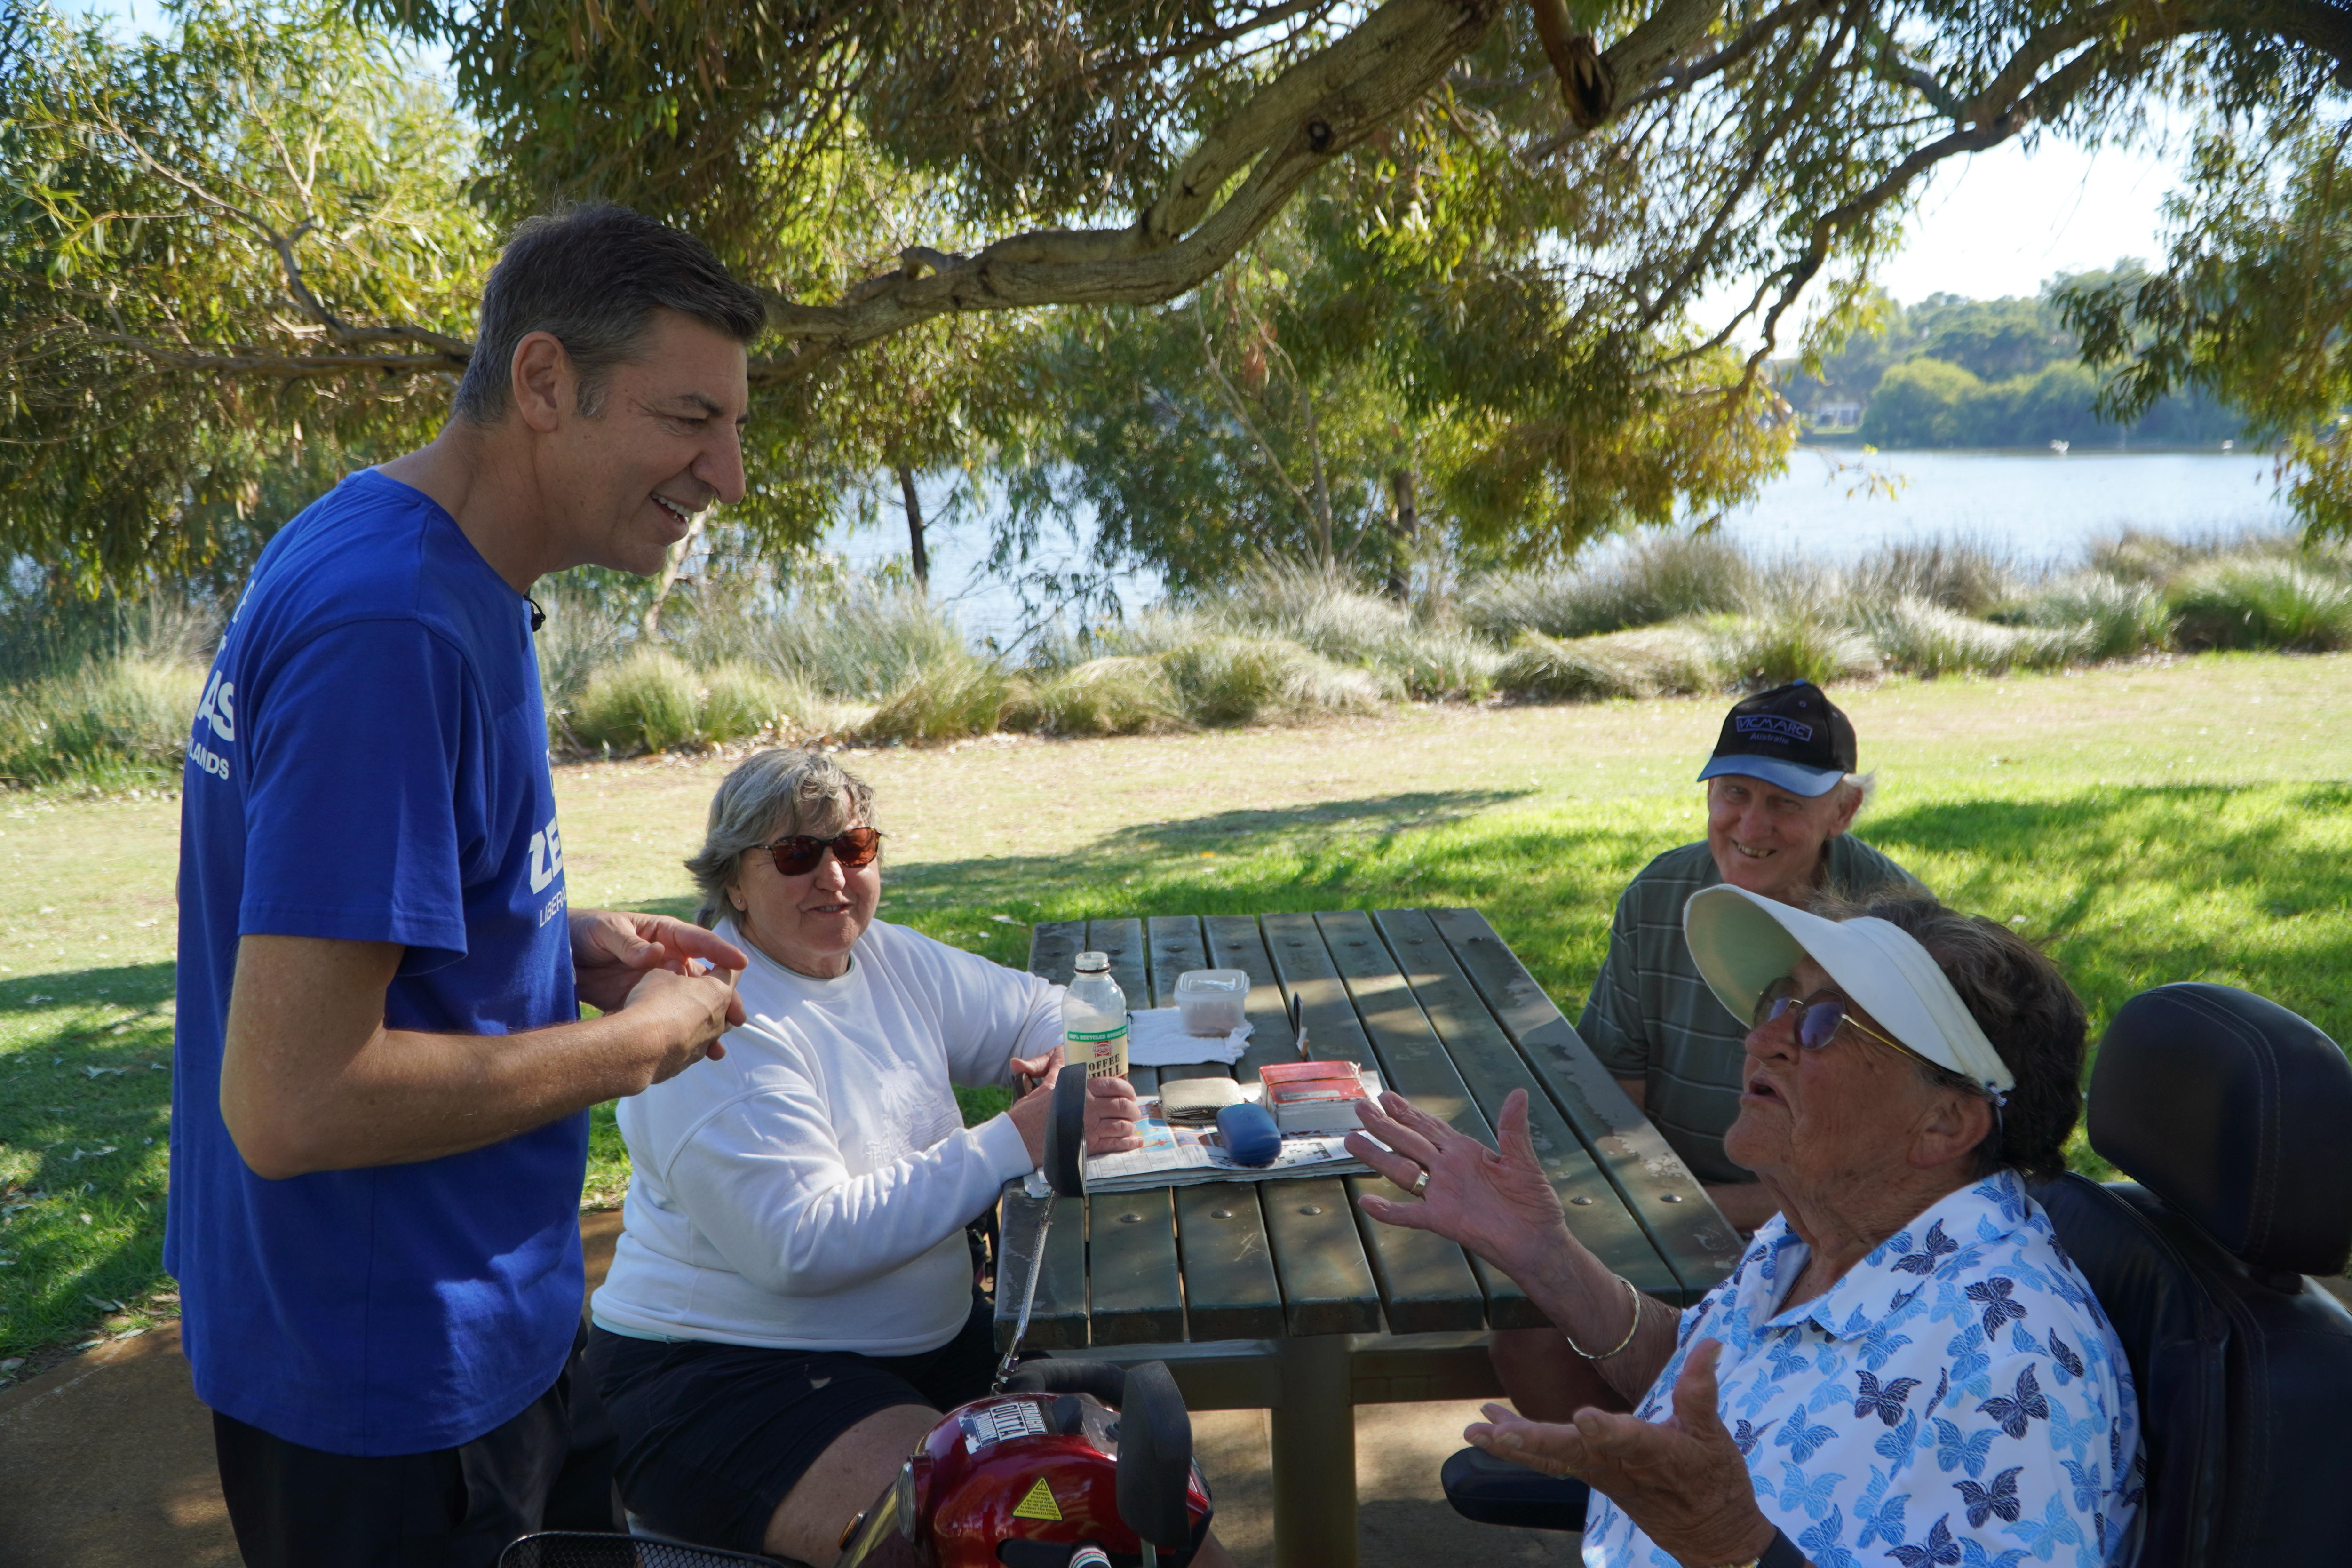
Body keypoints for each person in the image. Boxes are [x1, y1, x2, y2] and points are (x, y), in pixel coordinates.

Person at [172, 205, 762, 1568]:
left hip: (491, 1335)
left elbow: (338, 908)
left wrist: (542, 942)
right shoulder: (389, 622)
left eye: (731, 425)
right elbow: (291, 1098)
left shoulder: (430, 562)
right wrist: (628, 1047)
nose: (726, 473)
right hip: (390, 1392)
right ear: (544, 383)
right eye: (690, 418)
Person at [1349, 888, 2143, 1568]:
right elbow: (1709, 1372)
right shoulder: (1821, 1237)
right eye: (1778, 1001)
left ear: (1943, 1122)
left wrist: (1732, 1544)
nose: (1764, 1037)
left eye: (1826, 1022)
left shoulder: (2012, 1360)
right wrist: (1547, 1256)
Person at [583, 749, 1235, 1567]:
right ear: (734, 881)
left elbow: (1044, 1009)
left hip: (924, 1352)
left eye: (854, 848)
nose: (833, 876)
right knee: (997, 1523)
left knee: (1157, 1507)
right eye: (796, 854)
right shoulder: (717, 1018)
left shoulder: (887, 956)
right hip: (730, 1378)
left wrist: (1063, 1062)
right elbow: (801, 1245)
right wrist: (1015, 1135)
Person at [1581, 680, 1920, 1229]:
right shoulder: (1658, 894)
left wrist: (1682, 1213)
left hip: (1821, 1227)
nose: (1751, 826)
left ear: (1843, 810)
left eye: (1784, 802)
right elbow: (1612, 1088)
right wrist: (1634, 1205)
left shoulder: (1891, 927)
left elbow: (1888, 1168)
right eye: (1734, 792)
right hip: (1660, 1199)